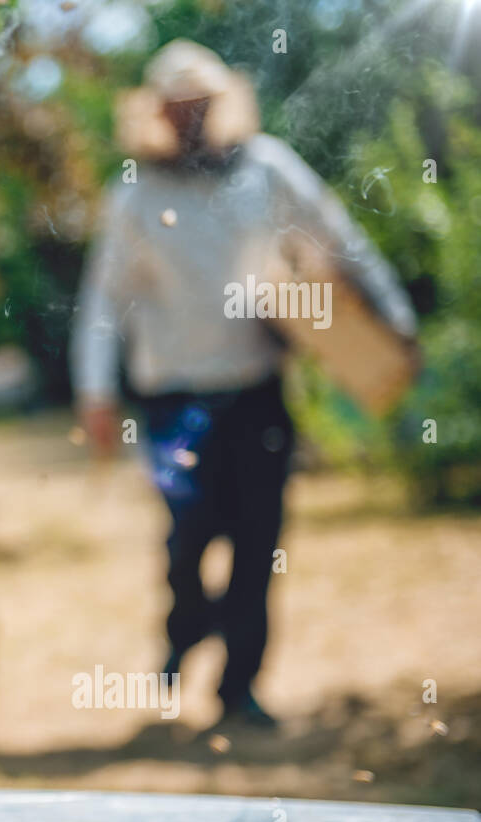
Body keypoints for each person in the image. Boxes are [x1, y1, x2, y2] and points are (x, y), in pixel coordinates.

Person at [71, 40, 417, 726]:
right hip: (173, 401)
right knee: (187, 536)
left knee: (258, 542)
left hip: (256, 387)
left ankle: (238, 690)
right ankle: (186, 628)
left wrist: (395, 321)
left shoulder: (268, 170)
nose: (191, 119)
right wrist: (95, 391)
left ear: (220, 104)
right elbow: (103, 301)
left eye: (201, 105)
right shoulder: (133, 195)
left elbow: (341, 240)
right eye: (179, 108)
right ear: (157, 114)